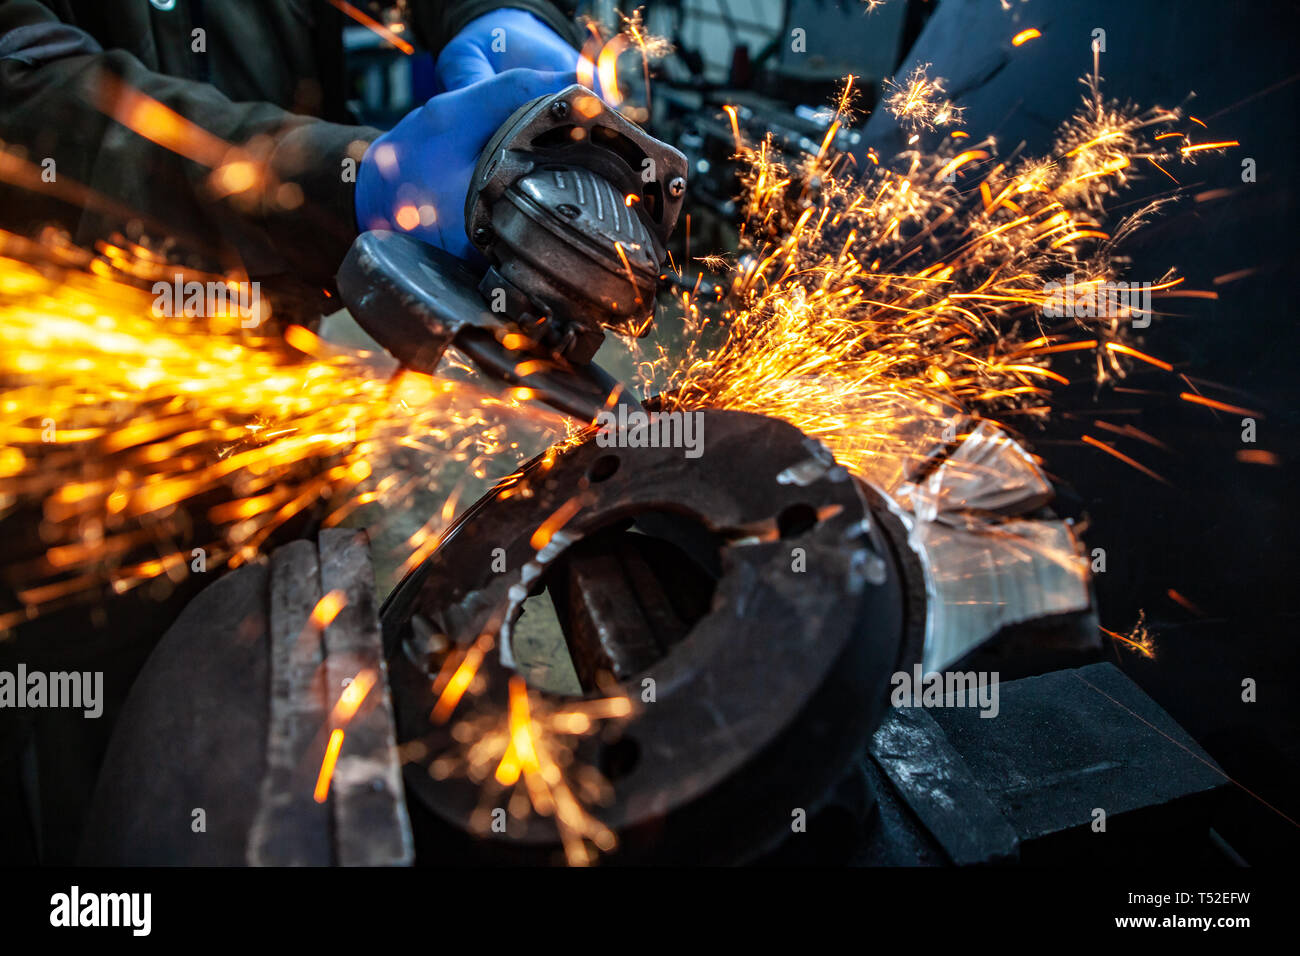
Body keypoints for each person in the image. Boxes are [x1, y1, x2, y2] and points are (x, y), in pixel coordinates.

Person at [0, 0, 585, 312]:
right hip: (57, 384)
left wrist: (501, 12)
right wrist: (321, 181)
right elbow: (25, 105)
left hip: (280, 365)